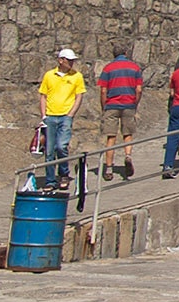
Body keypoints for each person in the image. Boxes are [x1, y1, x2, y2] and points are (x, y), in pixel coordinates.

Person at [36, 46, 87, 195]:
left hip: (65, 116)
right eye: (68, 61)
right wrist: (43, 116)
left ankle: (64, 173)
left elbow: (79, 96)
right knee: (50, 150)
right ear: (61, 60)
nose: (71, 64)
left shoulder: (76, 76)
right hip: (51, 116)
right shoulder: (49, 76)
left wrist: (71, 114)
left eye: (72, 61)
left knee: (61, 146)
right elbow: (43, 96)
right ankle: (50, 180)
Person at [96, 43, 145, 181]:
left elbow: (103, 90)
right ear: (126, 53)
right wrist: (135, 103)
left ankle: (109, 168)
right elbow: (139, 89)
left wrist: (103, 106)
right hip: (128, 103)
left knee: (111, 137)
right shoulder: (135, 68)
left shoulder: (108, 68)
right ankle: (128, 156)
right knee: (127, 134)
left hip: (112, 104)